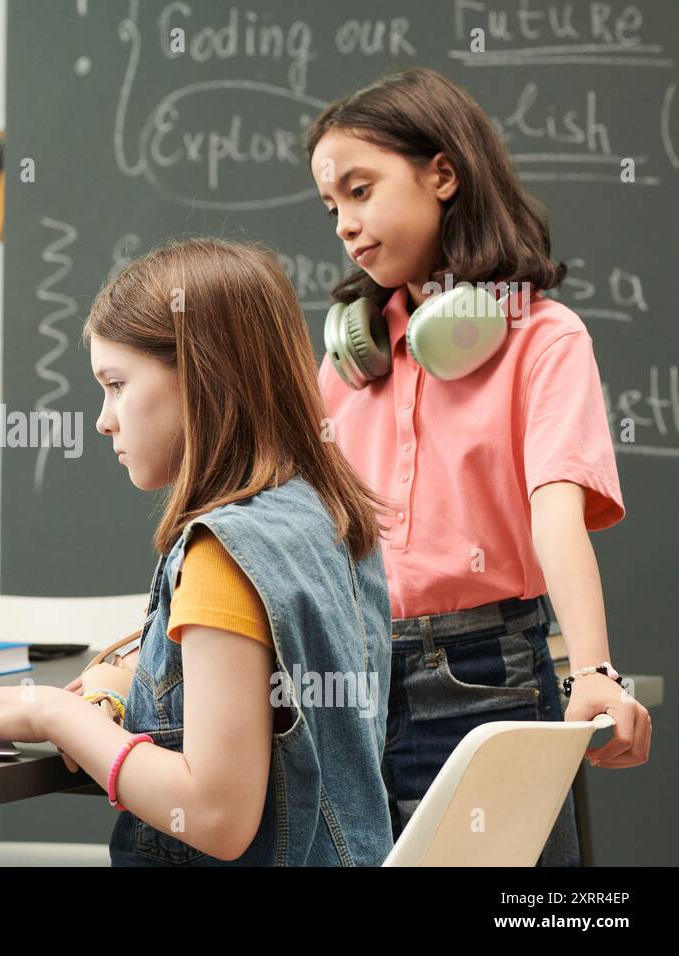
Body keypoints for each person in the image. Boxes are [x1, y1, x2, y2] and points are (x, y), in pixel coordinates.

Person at [0, 238, 395, 865]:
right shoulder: (325, 513)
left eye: (116, 385)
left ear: (203, 378)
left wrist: (55, 715)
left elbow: (215, 816)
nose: (103, 420)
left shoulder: (224, 556)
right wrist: (114, 690)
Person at [306, 67, 651, 865]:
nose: (346, 226)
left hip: (485, 676)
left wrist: (595, 669)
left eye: (361, 190)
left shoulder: (544, 339)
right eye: (332, 208)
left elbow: (556, 511)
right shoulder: (350, 364)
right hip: (349, 684)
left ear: (443, 173)